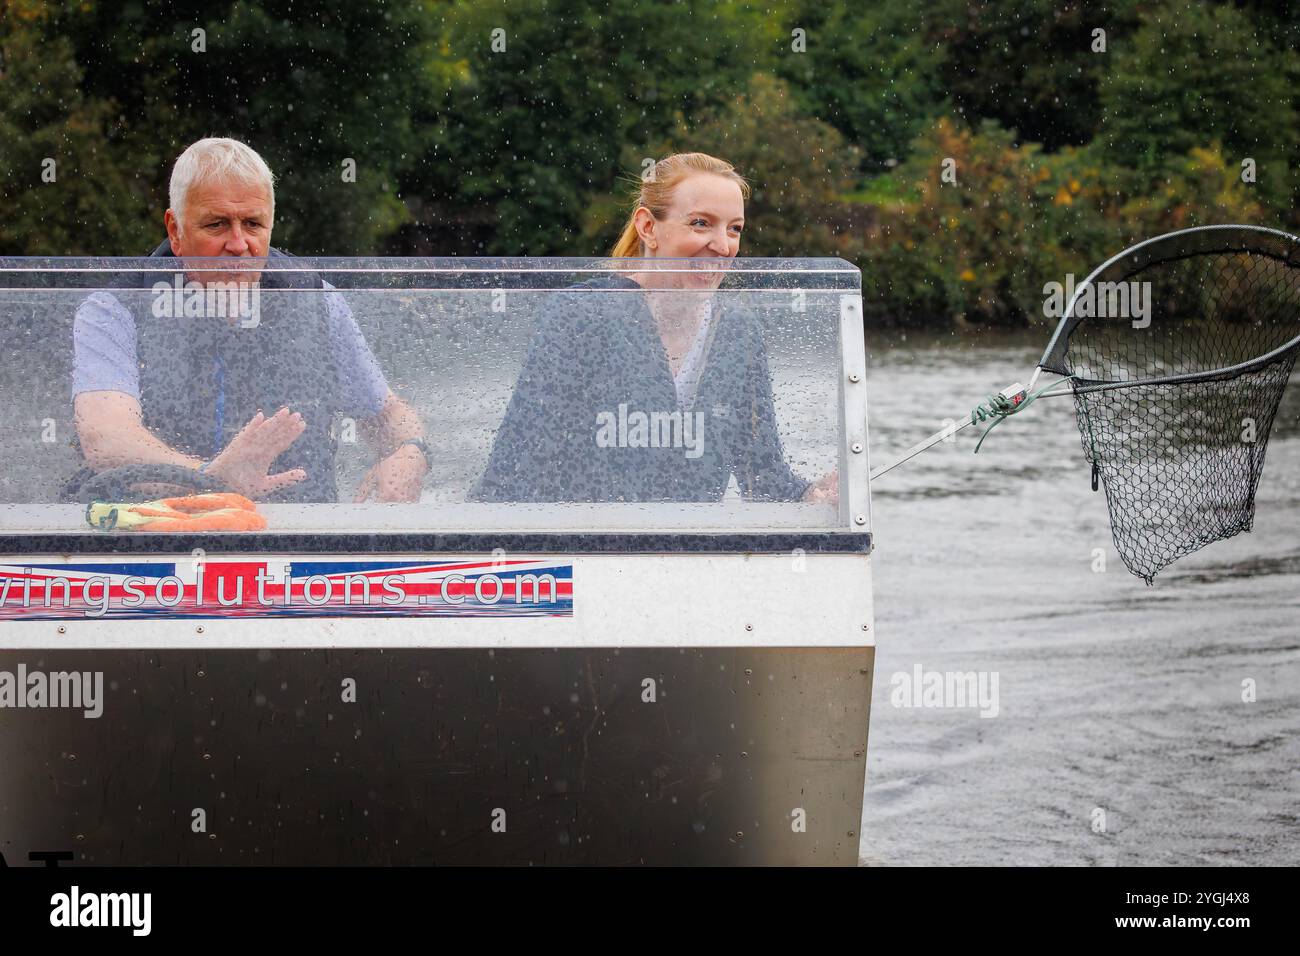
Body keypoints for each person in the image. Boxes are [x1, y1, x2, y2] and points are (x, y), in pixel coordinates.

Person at [69, 138, 428, 504]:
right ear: (175, 231)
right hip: (152, 535)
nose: (238, 244)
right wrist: (209, 478)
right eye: (217, 225)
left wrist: (409, 451)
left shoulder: (317, 301)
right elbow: (107, 436)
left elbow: (387, 413)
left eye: (253, 224)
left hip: (298, 536)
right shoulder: (114, 309)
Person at [472, 152, 838, 504]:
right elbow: (512, 475)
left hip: (687, 560)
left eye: (735, 229)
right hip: (582, 555)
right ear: (648, 226)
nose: (724, 245)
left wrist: (814, 495)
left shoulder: (739, 332)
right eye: (701, 223)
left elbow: (763, 477)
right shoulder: (580, 315)